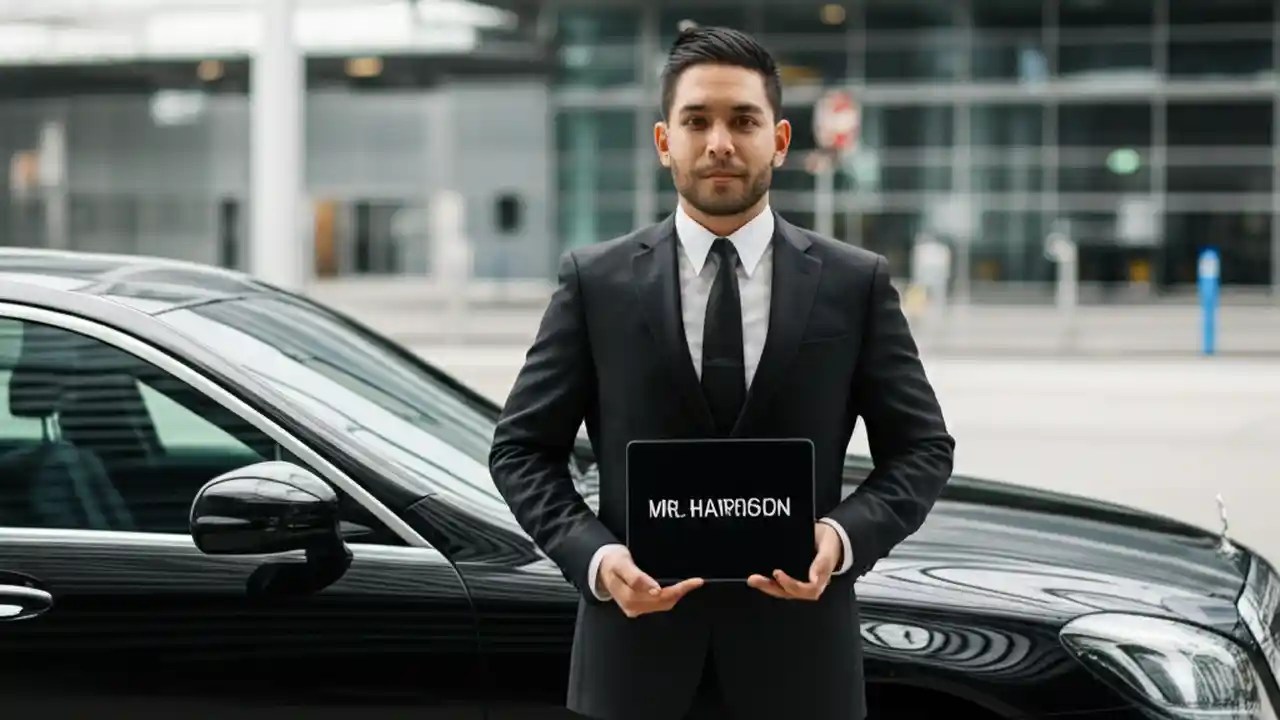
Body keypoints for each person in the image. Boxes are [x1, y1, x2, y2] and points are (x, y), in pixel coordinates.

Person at [489, 26, 954, 720]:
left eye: (743, 121)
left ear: (781, 139)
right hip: (633, 669)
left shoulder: (854, 284)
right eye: (696, 121)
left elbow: (922, 448)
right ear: (663, 141)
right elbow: (522, 450)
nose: (720, 143)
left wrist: (842, 539)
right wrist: (596, 559)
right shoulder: (596, 282)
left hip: (801, 671)